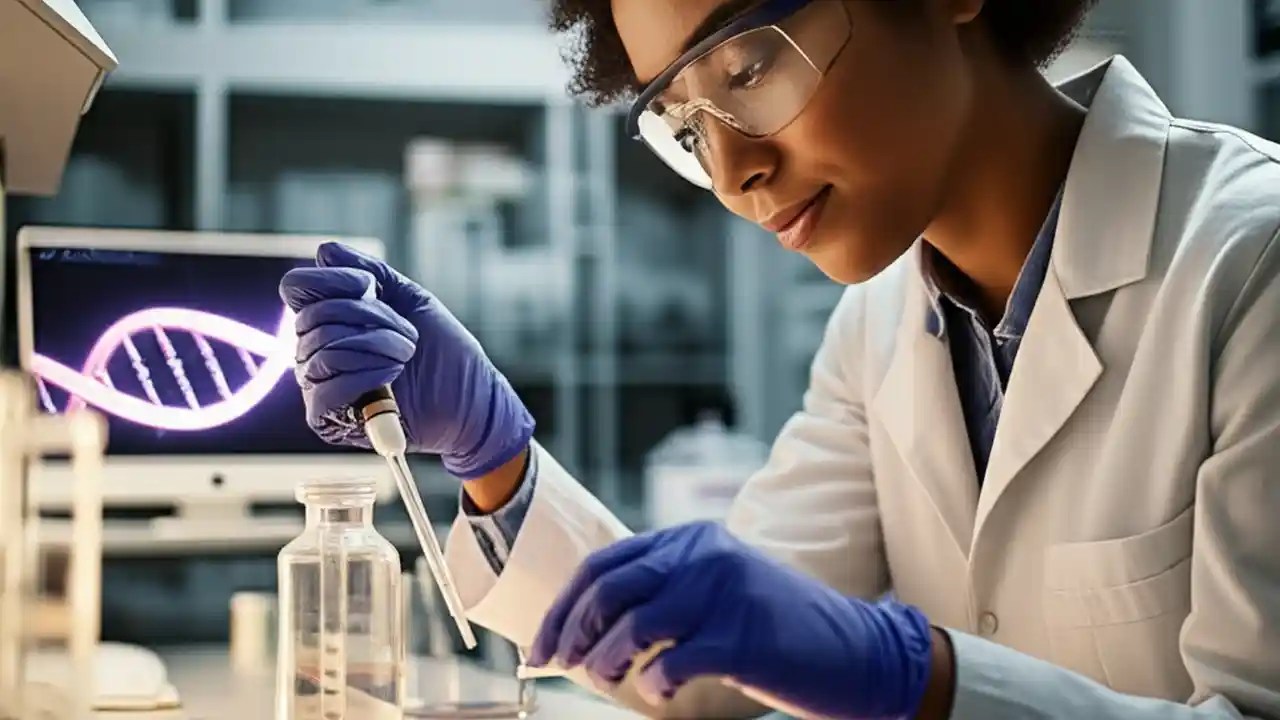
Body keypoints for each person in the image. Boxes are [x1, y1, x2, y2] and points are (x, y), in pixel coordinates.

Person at [278, 0, 1280, 717]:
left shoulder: (1250, 263)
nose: (731, 172)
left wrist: (908, 674)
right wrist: (493, 456)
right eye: (683, 123)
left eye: (749, 69)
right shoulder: (879, 324)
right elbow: (694, 674)